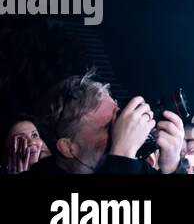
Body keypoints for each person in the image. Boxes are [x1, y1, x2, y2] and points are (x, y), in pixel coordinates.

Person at [23, 72, 184, 175]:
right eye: (109, 127)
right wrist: (122, 157)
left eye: (120, 120)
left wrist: (171, 167)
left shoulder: (134, 166)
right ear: (68, 147)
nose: (122, 132)